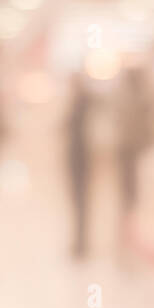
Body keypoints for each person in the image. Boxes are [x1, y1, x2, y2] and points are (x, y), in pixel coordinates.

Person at [115, 65, 154, 257]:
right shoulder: (135, 102)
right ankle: (127, 240)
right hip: (131, 154)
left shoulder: (135, 102)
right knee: (129, 200)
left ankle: (129, 240)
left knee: (131, 200)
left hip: (133, 154)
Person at [66, 71, 93, 259]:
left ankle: (82, 243)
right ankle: (79, 242)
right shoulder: (78, 104)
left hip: (82, 159)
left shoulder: (85, 104)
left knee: (82, 203)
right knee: (77, 203)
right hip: (76, 158)